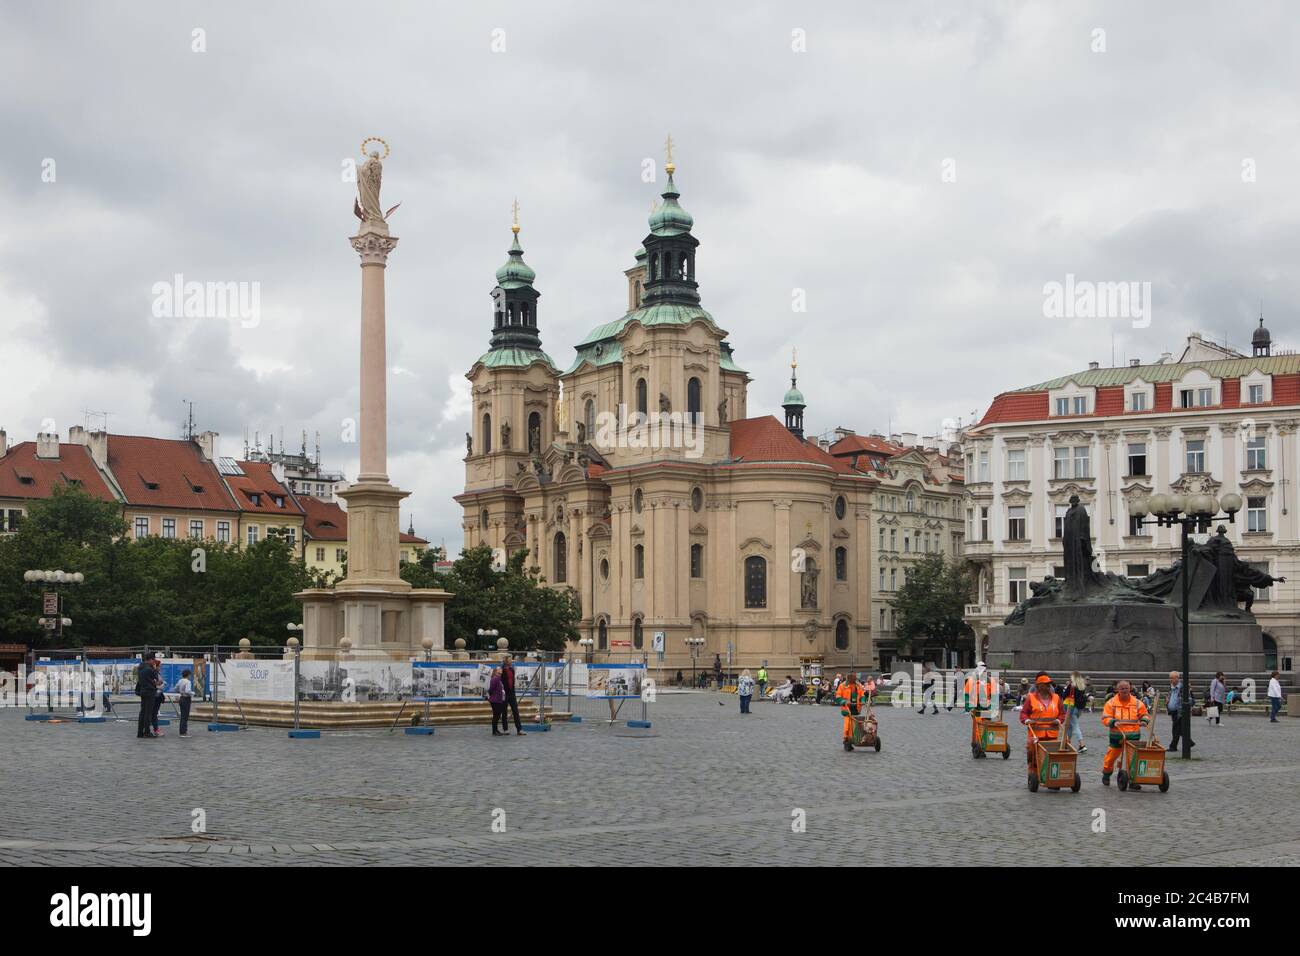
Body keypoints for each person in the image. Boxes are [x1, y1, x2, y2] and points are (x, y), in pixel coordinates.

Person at [1101, 679, 1149, 788]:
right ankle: (1106, 774)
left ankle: (1133, 780)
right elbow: (1105, 717)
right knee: (1111, 757)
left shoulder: (1137, 703)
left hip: (1133, 735)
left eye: (1126, 688)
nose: (1124, 690)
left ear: (1130, 689)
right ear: (1117, 689)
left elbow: (1145, 715)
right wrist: (1112, 722)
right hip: (1117, 735)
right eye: (1122, 688)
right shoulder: (1111, 703)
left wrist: (1144, 721)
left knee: (1133, 759)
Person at [1019, 672, 1062, 766]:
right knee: (1033, 756)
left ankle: (1049, 777)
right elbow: (1023, 714)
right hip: (1035, 735)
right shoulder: (1031, 698)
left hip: (1052, 736)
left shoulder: (1056, 698)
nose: (1049, 686)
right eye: (1046, 684)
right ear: (1039, 686)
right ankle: (1033, 773)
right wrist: (1027, 720)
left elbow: (1062, 714)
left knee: (1051, 758)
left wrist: (1058, 720)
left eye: (1049, 684)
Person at [836, 672, 865, 751]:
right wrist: (843, 701)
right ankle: (846, 740)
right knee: (847, 725)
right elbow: (838, 696)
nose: (854, 680)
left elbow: (862, 694)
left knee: (855, 725)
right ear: (849, 679)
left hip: (856, 708)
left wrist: (862, 700)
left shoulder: (858, 685)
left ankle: (853, 739)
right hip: (847, 708)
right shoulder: (842, 685)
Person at [1167, 671, 1194, 752]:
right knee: (1180, 729)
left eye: (1172, 678)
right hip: (1173, 711)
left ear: (1177, 678)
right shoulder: (1171, 687)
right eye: (1170, 678)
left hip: (1181, 712)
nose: (1170, 680)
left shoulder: (1183, 687)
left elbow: (1191, 700)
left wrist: (1186, 708)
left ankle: (1173, 746)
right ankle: (1189, 742)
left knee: (1176, 729)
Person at [1063, 671, 1089, 753]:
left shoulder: (1072, 685)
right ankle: (1067, 743)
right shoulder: (1082, 685)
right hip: (1079, 708)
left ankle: (1082, 745)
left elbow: (1064, 695)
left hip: (1071, 707)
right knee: (1070, 726)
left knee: (1075, 725)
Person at [499, 655, 525, 736]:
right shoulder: (502, 670)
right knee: (504, 712)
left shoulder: (512, 669)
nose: (512, 661)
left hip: (512, 693)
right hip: (504, 693)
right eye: (510, 660)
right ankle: (505, 729)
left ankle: (519, 729)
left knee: (515, 711)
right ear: (506, 661)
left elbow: (512, 680)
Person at [134, 657, 159, 739]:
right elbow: (156, 678)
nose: (153, 662)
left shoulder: (140, 668)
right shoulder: (149, 669)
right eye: (153, 660)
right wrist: (155, 669)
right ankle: (147, 732)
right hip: (150, 692)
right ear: (150, 660)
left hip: (143, 691)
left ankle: (140, 732)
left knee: (142, 712)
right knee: (148, 713)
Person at [174, 668, 194, 738]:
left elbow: (175, 688)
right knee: (185, 716)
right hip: (186, 699)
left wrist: (180, 692)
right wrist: (192, 693)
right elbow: (188, 691)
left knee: (182, 715)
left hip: (181, 698)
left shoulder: (180, 681)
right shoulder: (188, 682)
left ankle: (182, 731)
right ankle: (183, 732)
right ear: (188, 675)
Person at [149, 655, 166, 735]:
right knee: (154, 713)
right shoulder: (155, 673)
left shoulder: (157, 673)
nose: (160, 668)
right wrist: (161, 685)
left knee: (153, 713)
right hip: (156, 695)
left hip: (157, 695)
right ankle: (156, 729)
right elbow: (155, 684)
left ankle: (154, 728)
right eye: (160, 666)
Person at [488, 667, 506, 735]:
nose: (500, 673)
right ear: (495, 672)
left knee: (497, 716)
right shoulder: (495, 679)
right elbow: (491, 689)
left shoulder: (498, 679)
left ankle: (496, 730)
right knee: (496, 716)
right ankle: (494, 731)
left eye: (500, 672)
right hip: (495, 700)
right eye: (499, 672)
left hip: (498, 700)